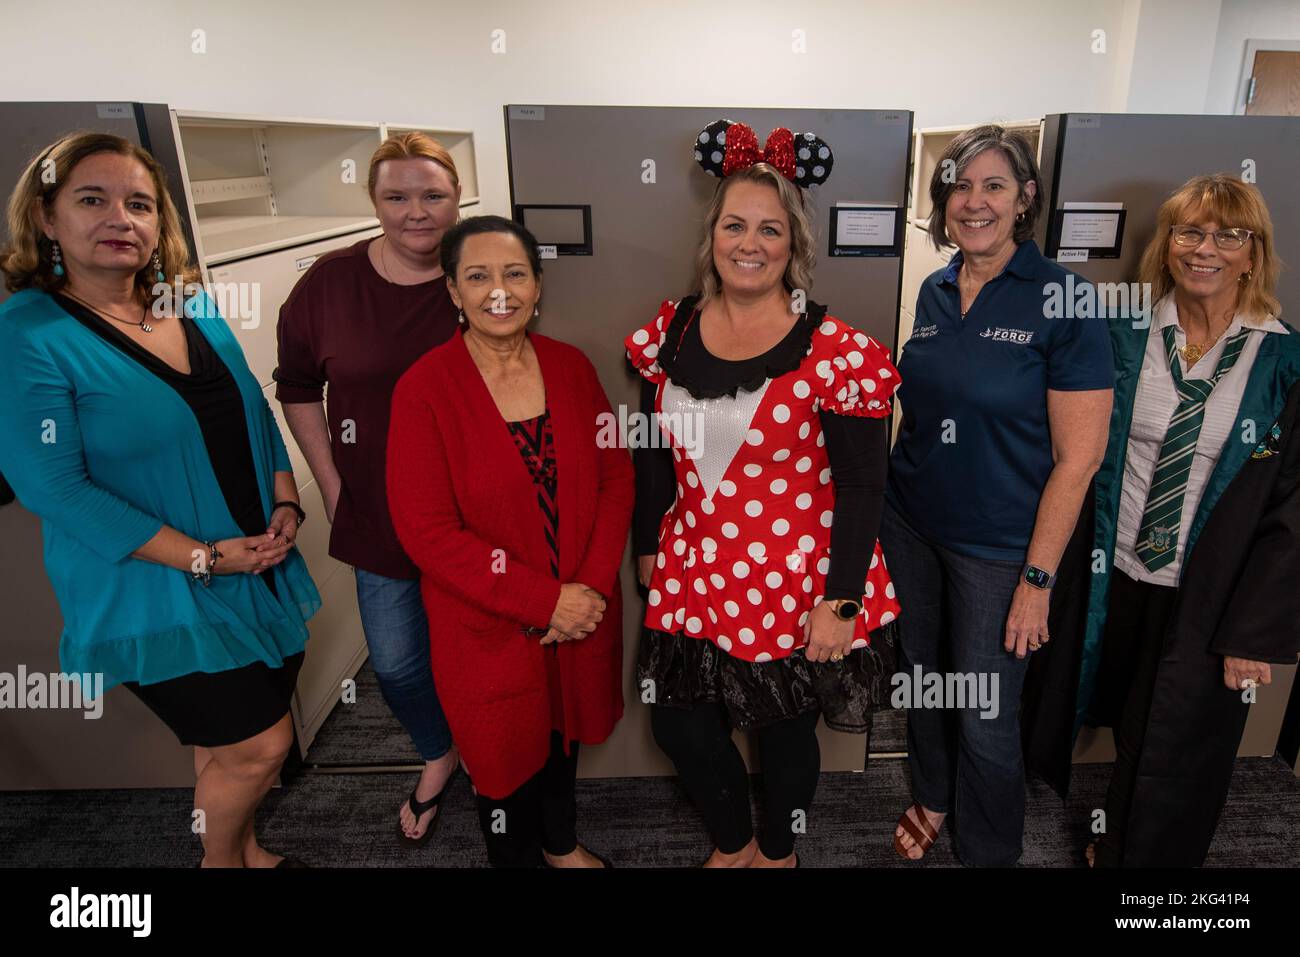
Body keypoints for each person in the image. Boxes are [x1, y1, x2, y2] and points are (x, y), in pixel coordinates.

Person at [0, 132, 319, 867]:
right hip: (153, 586)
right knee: (260, 746)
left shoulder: (189, 300)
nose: (121, 217)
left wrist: (285, 501)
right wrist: (206, 557)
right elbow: (51, 486)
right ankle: (219, 863)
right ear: (47, 219)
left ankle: (242, 850)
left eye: (139, 203)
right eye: (92, 199)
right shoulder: (29, 332)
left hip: (254, 563)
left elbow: (253, 409)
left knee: (222, 746)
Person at [627, 121, 901, 869]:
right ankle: (733, 842)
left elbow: (862, 480)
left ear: (794, 244)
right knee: (679, 722)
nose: (750, 242)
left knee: (782, 730)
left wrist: (842, 598)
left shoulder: (835, 350)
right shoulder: (672, 328)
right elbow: (654, 444)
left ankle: (777, 852)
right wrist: (649, 543)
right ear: (712, 233)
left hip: (795, 577)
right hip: (693, 566)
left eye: (769, 229)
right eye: (735, 224)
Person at [883, 124, 1113, 866]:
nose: (973, 201)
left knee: (984, 707)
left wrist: (1037, 579)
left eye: (993, 185)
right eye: (959, 185)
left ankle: (988, 847)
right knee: (920, 675)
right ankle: (932, 790)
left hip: (999, 547)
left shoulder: (1066, 298)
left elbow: (1079, 459)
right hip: (910, 521)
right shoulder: (935, 287)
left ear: (1025, 200)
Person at [1055, 175, 1298, 867]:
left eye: (1229, 234)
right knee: (1127, 722)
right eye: (1190, 232)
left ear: (1254, 254)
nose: (1207, 249)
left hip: (1212, 595)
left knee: (1181, 745)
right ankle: (1114, 839)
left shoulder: (1285, 360)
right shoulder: (1122, 335)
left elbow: (1293, 513)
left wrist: (1256, 630)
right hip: (1120, 572)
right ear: (1168, 246)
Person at [387, 215, 633, 868]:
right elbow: (427, 531)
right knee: (501, 767)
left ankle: (560, 842)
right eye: (478, 276)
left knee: (562, 737)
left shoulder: (572, 368)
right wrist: (542, 601)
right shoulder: (424, 391)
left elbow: (615, 473)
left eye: (515, 273)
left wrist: (588, 588)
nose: (499, 290)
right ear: (452, 291)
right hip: (487, 626)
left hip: (580, 612)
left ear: (538, 284)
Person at [274, 132, 462, 845]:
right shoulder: (329, 282)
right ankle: (439, 751)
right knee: (398, 662)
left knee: (485, 649)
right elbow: (296, 386)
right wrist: (329, 481)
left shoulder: (479, 271)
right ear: (375, 201)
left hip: (479, 515)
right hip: (379, 514)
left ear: (456, 198)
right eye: (397, 196)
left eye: (433, 194)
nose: (417, 211)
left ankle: (498, 759)